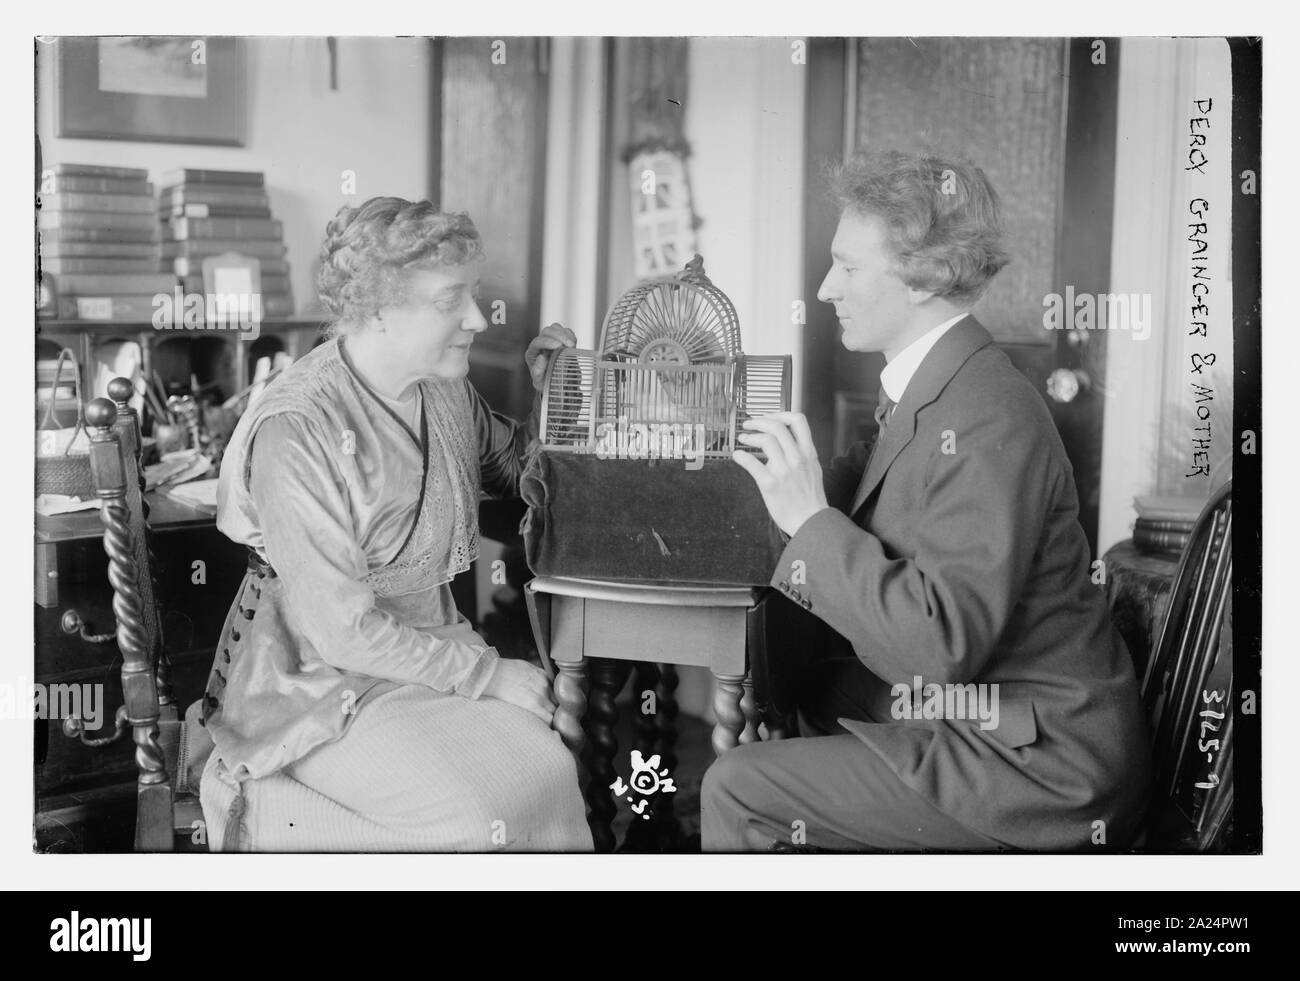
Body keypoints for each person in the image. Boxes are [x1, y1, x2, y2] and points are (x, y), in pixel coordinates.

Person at [708, 150, 1151, 852]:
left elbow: (940, 646)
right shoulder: (934, 386)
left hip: (1038, 764)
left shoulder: (987, 413)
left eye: (848, 267)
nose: (825, 288)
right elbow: (847, 488)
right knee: (804, 692)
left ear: (924, 278)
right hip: (985, 718)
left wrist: (809, 518)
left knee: (735, 786)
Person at [198, 197, 592, 852]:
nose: (477, 318)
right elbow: (340, 629)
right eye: (450, 300)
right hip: (315, 676)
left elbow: (518, 471)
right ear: (376, 309)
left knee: (548, 771)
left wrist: (556, 394)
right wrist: (488, 675)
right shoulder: (297, 427)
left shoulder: (443, 387)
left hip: (432, 645)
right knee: (476, 817)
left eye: (472, 294)